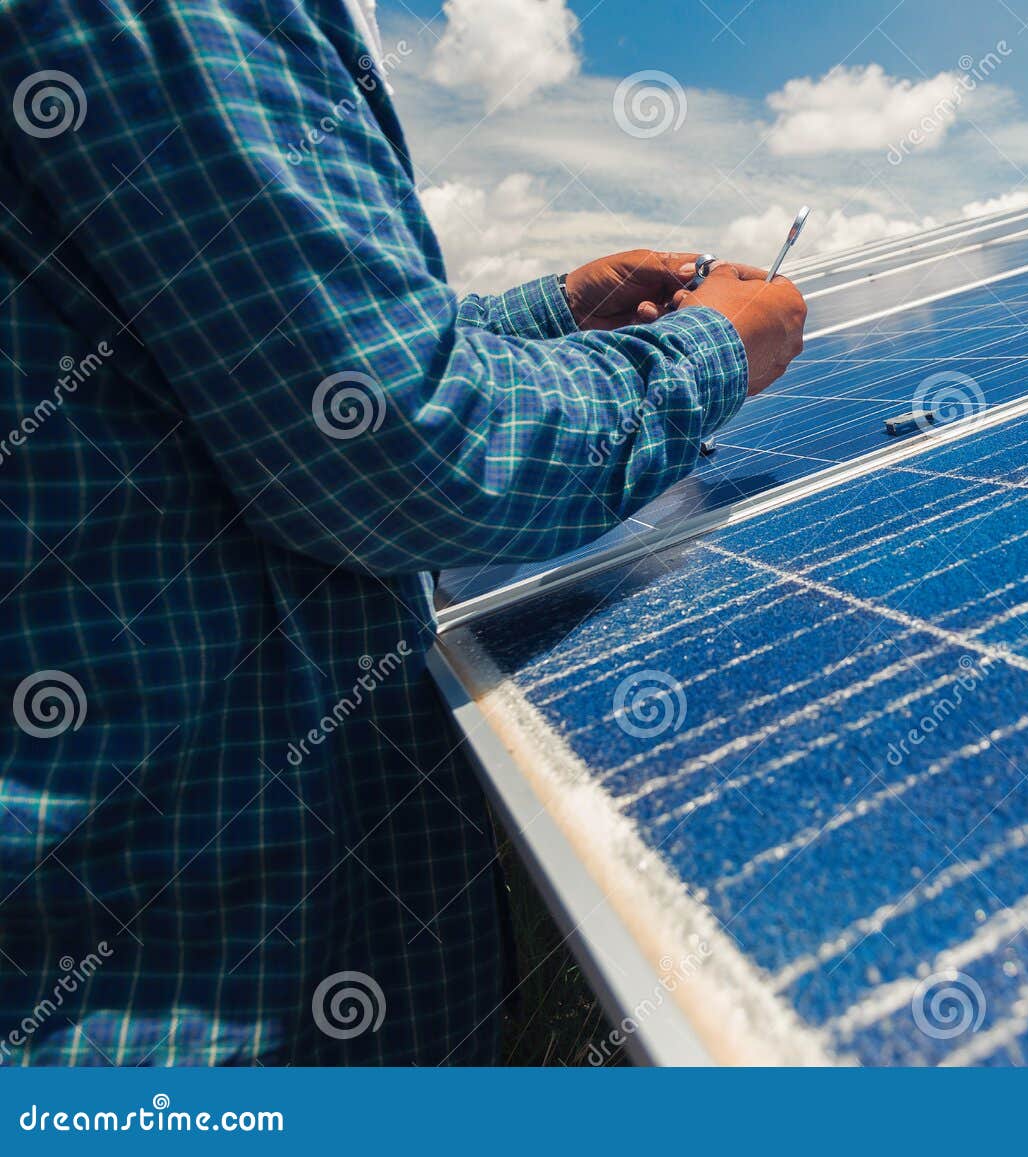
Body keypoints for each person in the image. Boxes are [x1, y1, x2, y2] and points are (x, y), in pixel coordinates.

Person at [0, 0, 805, 1065]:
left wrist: (557, 308)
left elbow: (263, 353)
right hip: (195, 992)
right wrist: (711, 355)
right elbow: (396, 452)